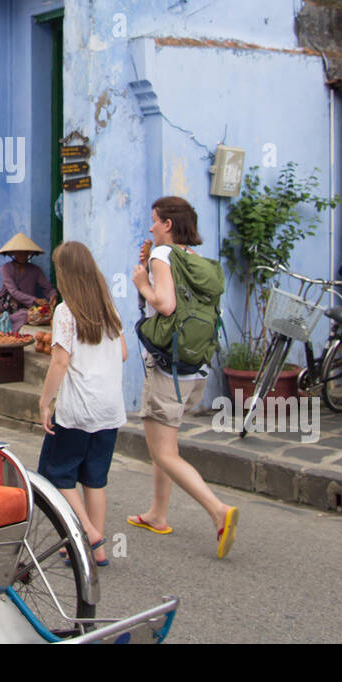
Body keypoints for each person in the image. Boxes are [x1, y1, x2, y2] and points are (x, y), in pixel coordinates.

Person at [128, 196, 238, 558]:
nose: (151, 227)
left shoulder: (163, 256)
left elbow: (165, 305)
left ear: (168, 225)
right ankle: (158, 514)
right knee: (165, 447)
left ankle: (218, 511)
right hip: (195, 368)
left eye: (154, 220)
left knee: (164, 452)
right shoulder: (198, 261)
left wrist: (142, 281)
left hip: (166, 368)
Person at [37, 241, 128, 568]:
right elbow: (123, 353)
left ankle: (87, 532)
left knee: (55, 475)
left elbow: (59, 362)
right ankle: (98, 550)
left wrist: (45, 402)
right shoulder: (108, 306)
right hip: (109, 408)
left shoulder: (65, 311)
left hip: (77, 409)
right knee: (94, 478)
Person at [0, 233, 58, 332]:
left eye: (25, 252)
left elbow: (48, 287)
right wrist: (35, 300)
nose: (22, 255)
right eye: (18, 252)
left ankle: (2, 326)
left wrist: (53, 295)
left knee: (26, 315)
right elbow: (13, 291)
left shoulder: (36, 270)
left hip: (22, 309)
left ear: (29, 253)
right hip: (3, 305)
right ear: (13, 253)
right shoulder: (6, 268)